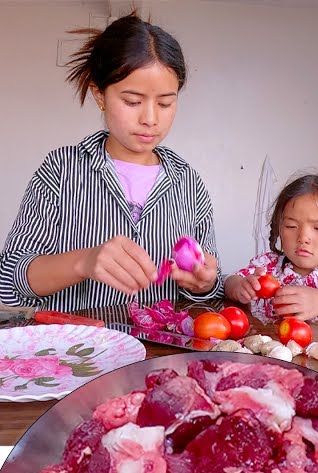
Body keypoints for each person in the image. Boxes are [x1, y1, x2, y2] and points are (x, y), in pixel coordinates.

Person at [0, 12, 220, 311]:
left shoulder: (188, 183)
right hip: (79, 353)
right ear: (99, 94)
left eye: (166, 102)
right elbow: (9, 282)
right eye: (132, 101)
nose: (150, 119)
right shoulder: (61, 170)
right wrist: (84, 262)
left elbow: (210, 289)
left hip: (157, 355)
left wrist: (205, 282)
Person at [224, 174, 318, 320]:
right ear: (279, 227)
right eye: (291, 226)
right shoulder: (266, 266)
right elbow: (230, 280)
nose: (303, 238)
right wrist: (239, 288)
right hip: (269, 343)